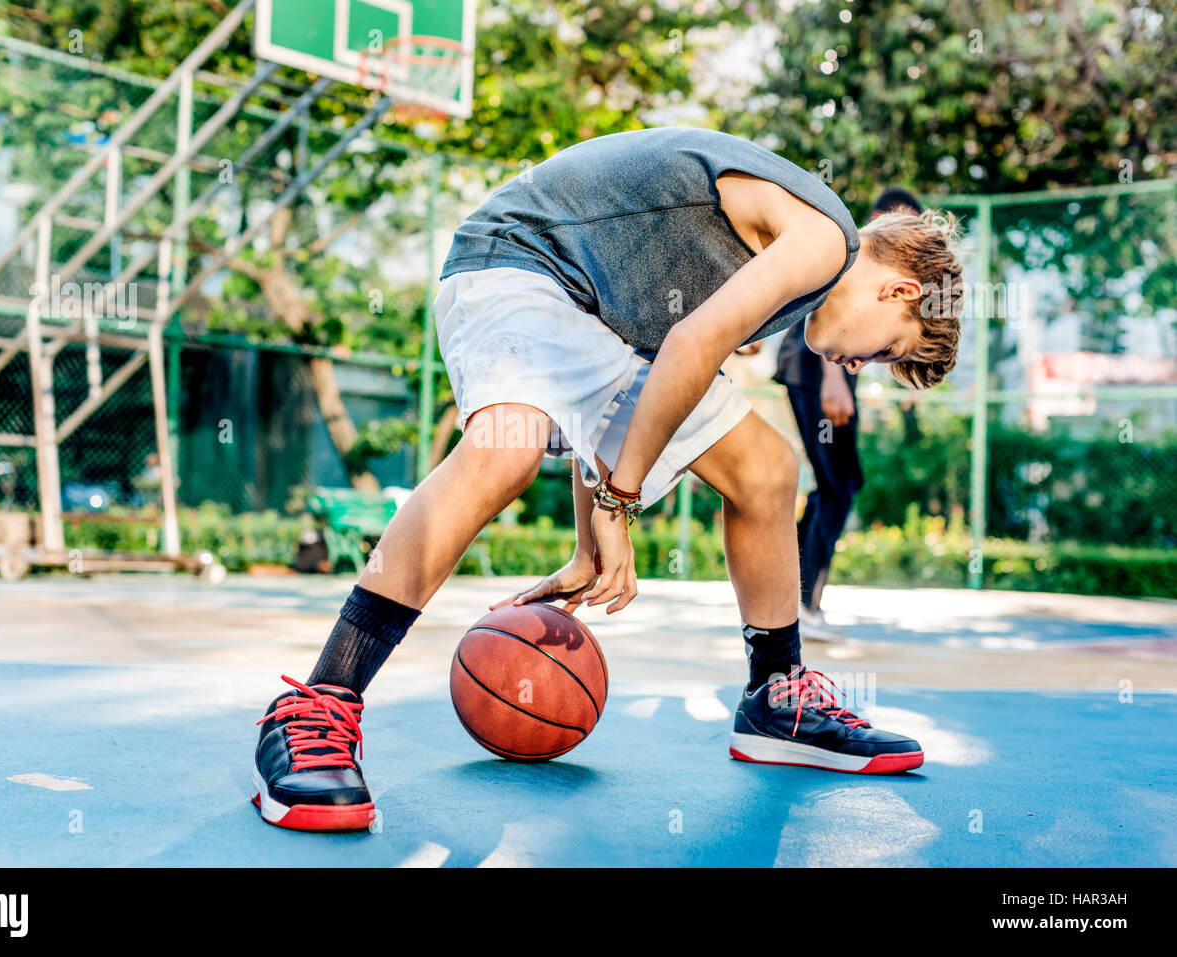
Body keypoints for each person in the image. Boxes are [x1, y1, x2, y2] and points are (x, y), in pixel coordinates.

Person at [251, 128, 964, 831]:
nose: (858, 364)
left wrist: (590, 542)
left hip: (590, 311)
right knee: (508, 450)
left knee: (766, 468)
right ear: (901, 289)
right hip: (516, 260)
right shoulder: (820, 242)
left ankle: (777, 699)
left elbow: (632, 368)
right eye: (887, 350)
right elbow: (689, 346)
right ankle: (318, 703)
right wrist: (614, 501)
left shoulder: (788, 275)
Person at [774, 187, 925, 641]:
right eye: (906, 223)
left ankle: (796, 596)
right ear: (881, 218)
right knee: (837, 484)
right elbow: (828, 304)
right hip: (814, 374)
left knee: (838, 484)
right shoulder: (853, 250)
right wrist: (835, 381)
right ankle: (799, 601)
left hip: (819, 374)